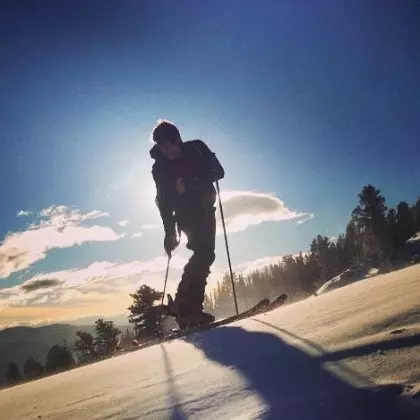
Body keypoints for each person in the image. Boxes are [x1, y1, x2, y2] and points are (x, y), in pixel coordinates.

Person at [150, 120, 225, 327]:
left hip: (205, 209)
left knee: (205, 255)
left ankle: (186, 307)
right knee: (204, 254)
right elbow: (163, 201)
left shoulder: (197, 149)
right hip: (186, 214)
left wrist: (196, 179)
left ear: (177, 140)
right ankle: (188, 307)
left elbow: (219, 172)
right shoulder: (160, 168)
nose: (165, 152)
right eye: (161, 148)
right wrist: (169, 232)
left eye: (167, 146)